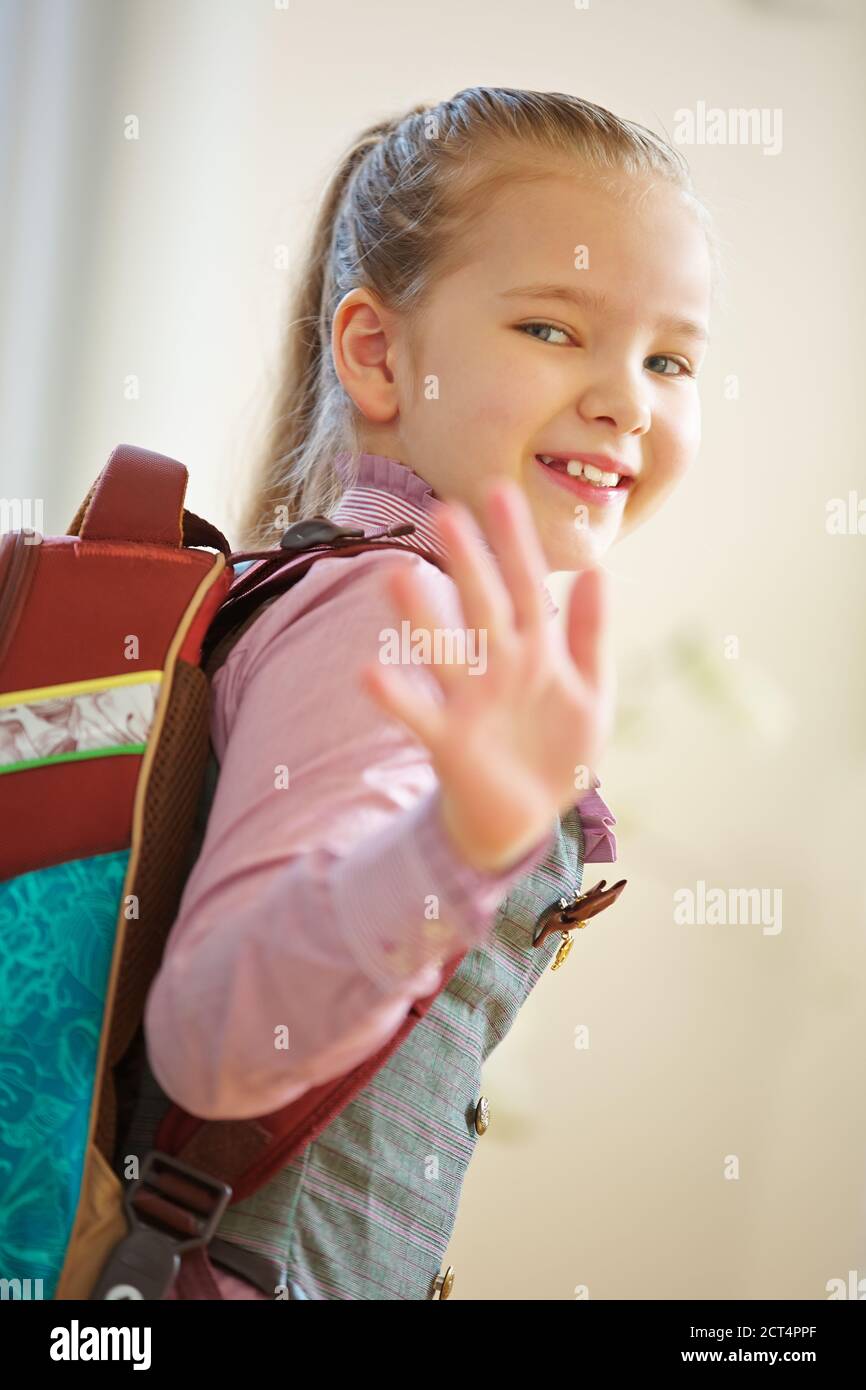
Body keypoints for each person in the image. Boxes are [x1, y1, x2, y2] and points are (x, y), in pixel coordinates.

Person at [136, 86, 717, 1300]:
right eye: (553, 329)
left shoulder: (376, 600)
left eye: (668, 356)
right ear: (377, 353)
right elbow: (218, 1045)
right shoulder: (393, 616)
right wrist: (454, 845)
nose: (627, 397)